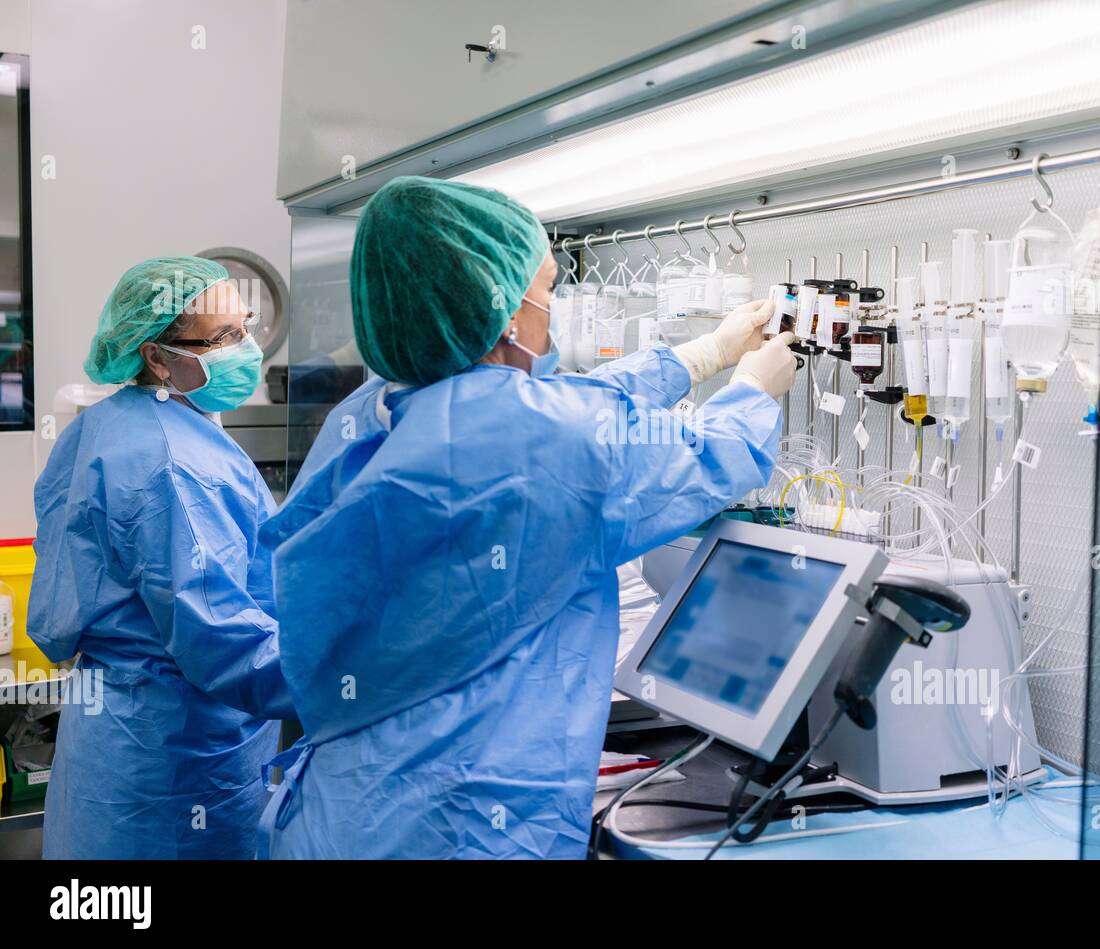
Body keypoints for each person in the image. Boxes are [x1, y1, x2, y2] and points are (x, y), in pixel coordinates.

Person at [260, 177, 797, 859]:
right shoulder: (540, 436)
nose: (553, 307)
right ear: (505, 312)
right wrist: (750, 391)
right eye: (546, 288)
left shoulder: (373, 414)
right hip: (461, 820)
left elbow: (552, 411)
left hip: (346, 809)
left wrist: (702, 356)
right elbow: (700, 455)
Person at [28, 257, 293, 859]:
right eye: (225, 338)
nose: (246, 348)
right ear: (156, 356)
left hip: (113, 739)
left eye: (245, 326)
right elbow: (224, 642)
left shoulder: (106, 424)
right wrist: (343, 677)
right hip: (177, 753)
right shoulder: (174, 464)